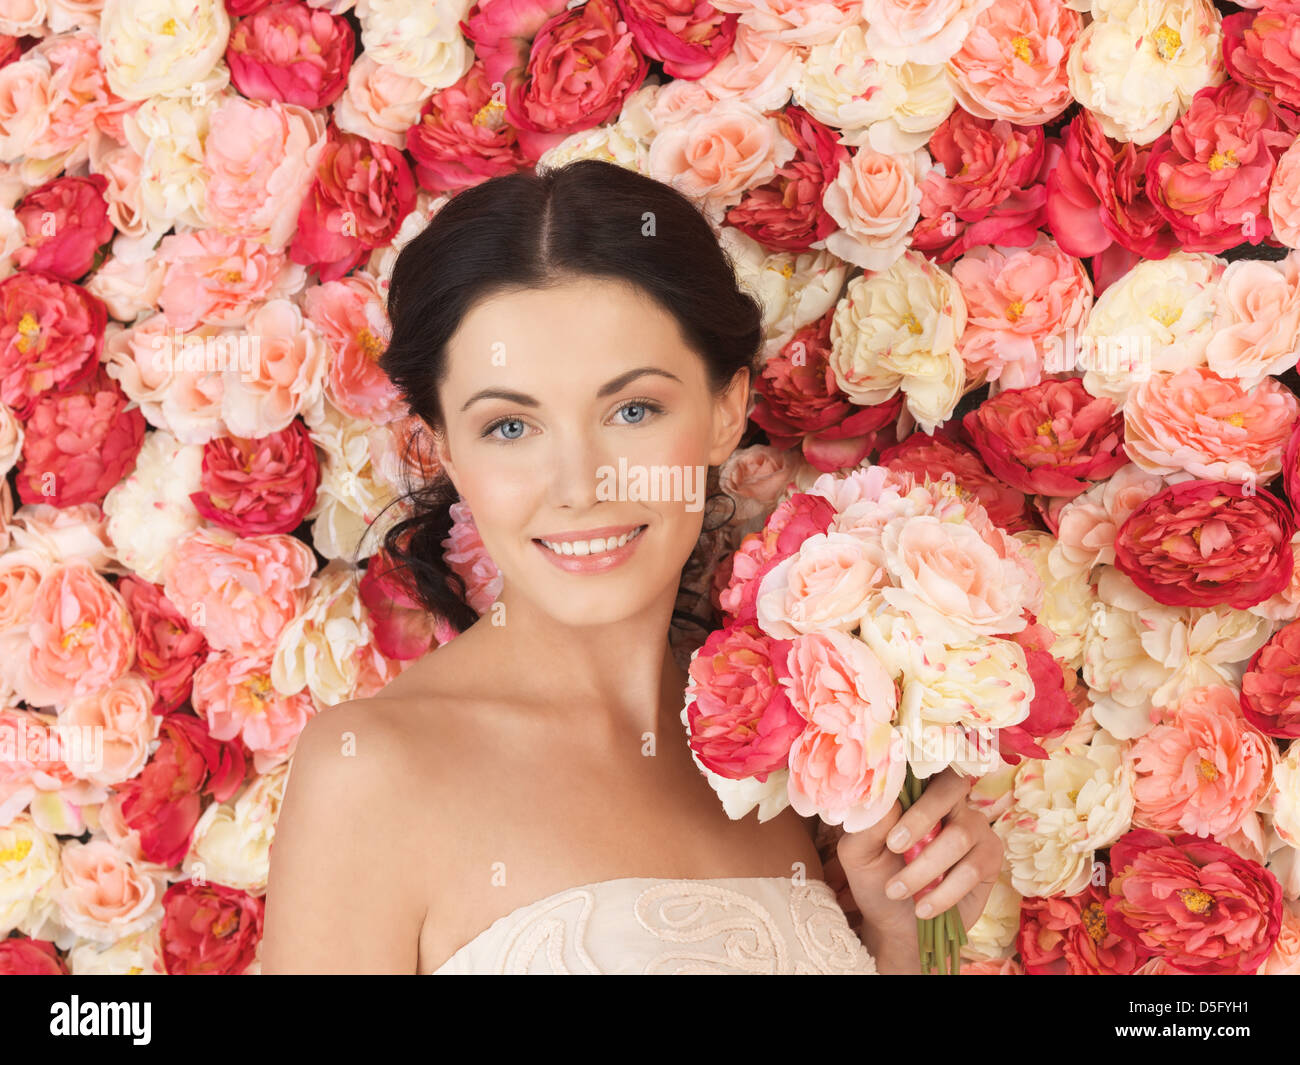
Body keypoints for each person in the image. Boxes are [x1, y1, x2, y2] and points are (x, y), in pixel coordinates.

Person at [260, 158, 1003, 975]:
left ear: (725, 411)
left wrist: (904, 947)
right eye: (511, 426)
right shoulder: (370, 775)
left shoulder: (798, 755)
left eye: (633, 410)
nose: (582, 485)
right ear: (440, 452)